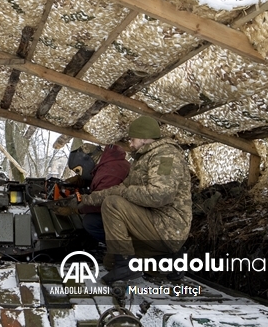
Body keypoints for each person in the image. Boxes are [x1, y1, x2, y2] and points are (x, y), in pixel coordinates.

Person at [81, 115, 192, 283]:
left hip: (167, 226)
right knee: (109, 262)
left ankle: (127, 267)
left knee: (113, 204)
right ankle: (167, 259)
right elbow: (119, 189)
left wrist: (126, 193)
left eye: (132, 139)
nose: (130, 144)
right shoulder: (144, 159)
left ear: (143, 138)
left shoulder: (166, 157)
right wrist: (85, 200)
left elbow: (160, 195)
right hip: (151, 221)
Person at [59, 140, 130, 242]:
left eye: (78, 171)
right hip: (120, 207)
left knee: (90, 222)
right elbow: (101, 182)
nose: (79, 174)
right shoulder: (109, 164)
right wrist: (83, 181)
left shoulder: (111, 172)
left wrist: (74, 209)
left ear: (86, 162)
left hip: (123, 213)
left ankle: (117, 245)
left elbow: (100, 203)